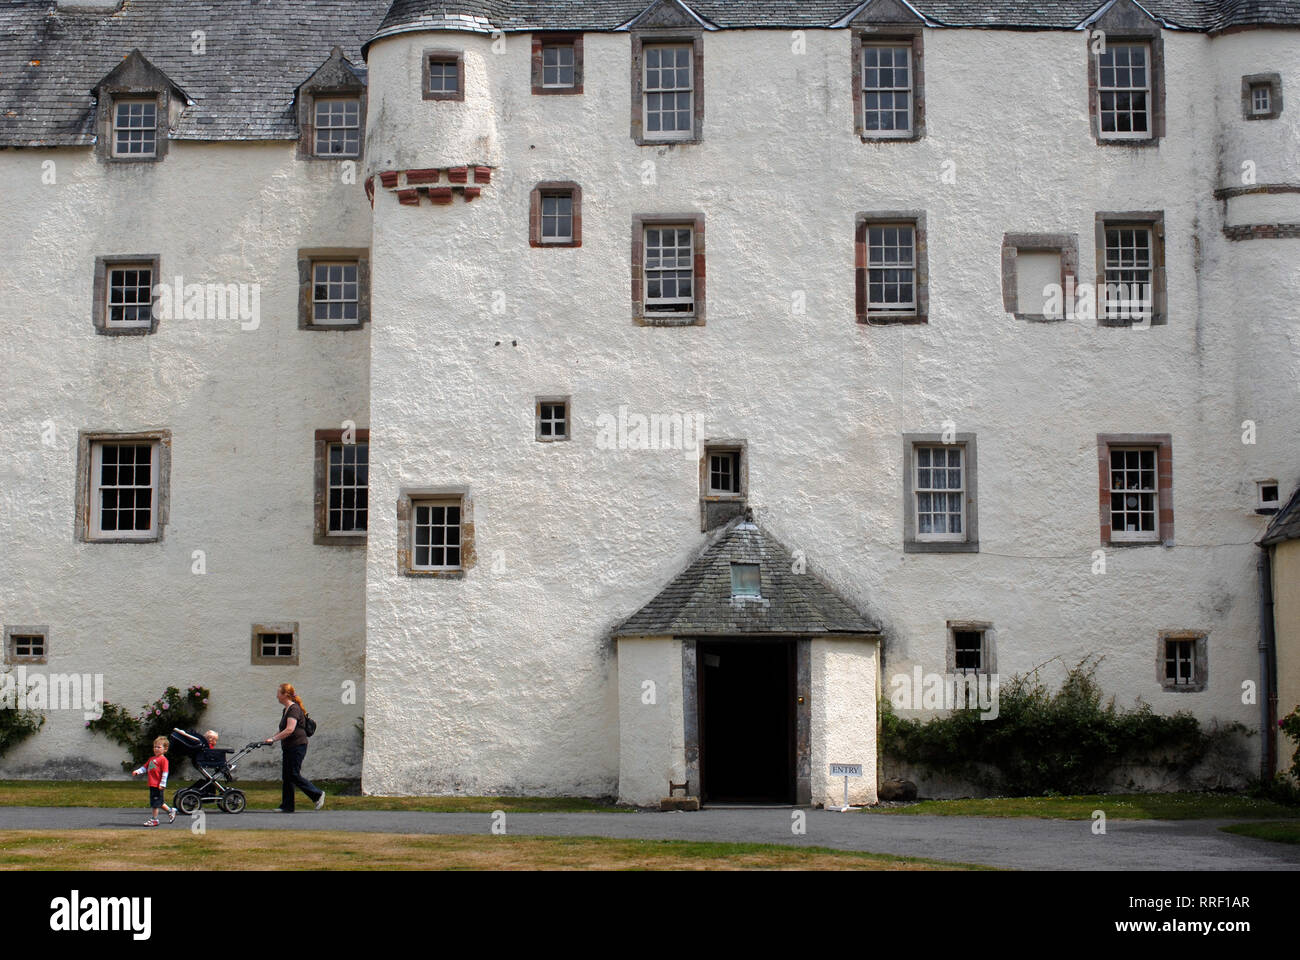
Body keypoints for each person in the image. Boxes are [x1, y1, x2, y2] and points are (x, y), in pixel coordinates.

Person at [264, 683, 325, 812]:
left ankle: (317, 794)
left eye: (278, 693)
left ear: (285, 695)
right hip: (288, 746)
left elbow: (290, 729)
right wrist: (271, 738)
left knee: (293, 774)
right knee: (287, 776)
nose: (276, 696)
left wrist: (274, 739)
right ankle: (287, 805)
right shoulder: (286, 709)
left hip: (297, 746)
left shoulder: (294, 709)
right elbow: (284, 730)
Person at [132, 736, 177, 826]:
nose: (156, 749)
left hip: (158, 785)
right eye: (155, 747)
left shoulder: (163, 760)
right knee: (158, 802)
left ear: (165, 749)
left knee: (155, 804)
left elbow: (165, 773)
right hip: (152, 784)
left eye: (159, 747)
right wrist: (137, 771)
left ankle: (154, 820)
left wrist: (162, 783)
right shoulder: (152, 759)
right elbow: (145, 768)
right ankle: (171, 811)